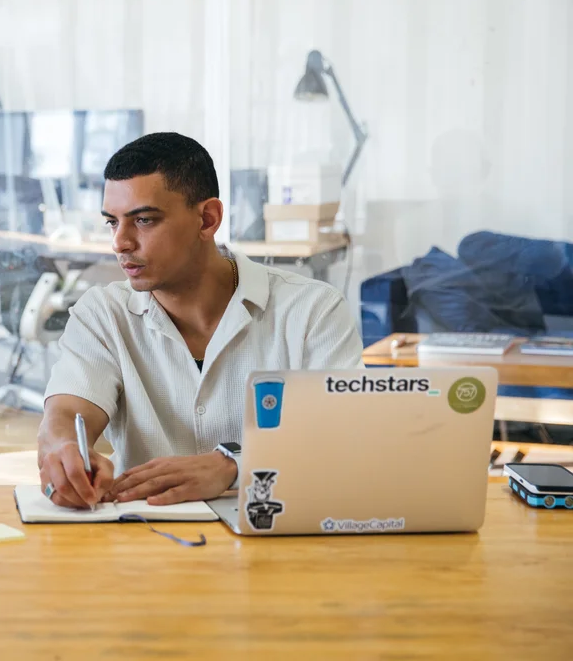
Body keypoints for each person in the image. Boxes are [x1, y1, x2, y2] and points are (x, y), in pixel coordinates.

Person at [37, 133, 362, 510]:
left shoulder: (313, 310)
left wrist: (233, 466)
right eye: (113, 222)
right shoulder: (102, 314)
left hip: (278, 534)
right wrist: (63, 449)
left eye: (143, 220)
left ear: (207, 219)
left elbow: (347, 439)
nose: (120, 242)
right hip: (149, 543)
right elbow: (65, 413)